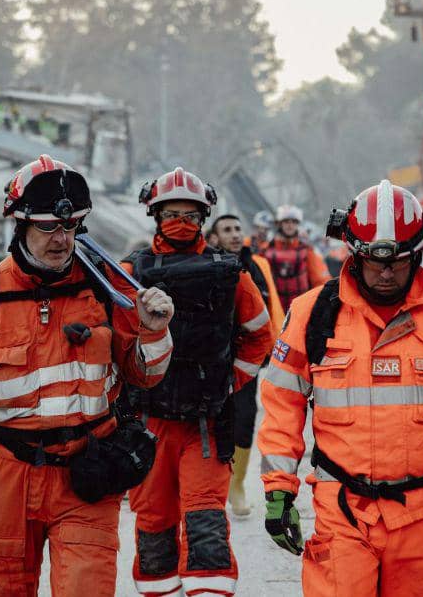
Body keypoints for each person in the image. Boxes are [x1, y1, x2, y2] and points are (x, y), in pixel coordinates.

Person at [257, 180, 423, 596]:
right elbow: (281, 404)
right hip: (342, 512)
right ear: (353, 252)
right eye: (374, 262)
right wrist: (278, 487)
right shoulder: (314, 314)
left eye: (399, 262)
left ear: (419, 254)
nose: (386, 272)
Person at [0, 154, 175, 597]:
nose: (61, 239)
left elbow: (144, 377)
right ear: (20, 225)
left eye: (69, 227)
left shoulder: (108, 287)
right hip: (2, 477)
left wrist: (155, 334)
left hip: (88, 473)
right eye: (47, 227)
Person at [123, 168, 275, 597]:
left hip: (206, 424)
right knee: (153, 522)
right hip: (149, 421)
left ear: (204, 217)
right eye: (171, 213)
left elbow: (260, 334)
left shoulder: (229, 272)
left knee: (205, 518)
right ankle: (159, 590)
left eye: (190, 215)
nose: (181, 222)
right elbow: (113, 336)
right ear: (154, 214)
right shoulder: (132, 270)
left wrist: (230, 383)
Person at [209, 213, 284, 516]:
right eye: (227, 229)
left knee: (245, 418)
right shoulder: (204, 264)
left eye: (239, 228)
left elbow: (272, 306)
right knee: (212, 421)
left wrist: (278, 348)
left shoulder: (258, 265)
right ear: (213, 238)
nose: (235, 233)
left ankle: (236, 484)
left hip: (246, 358)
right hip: (211, 358)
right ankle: (213, 482)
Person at [261, 204, 330, 312]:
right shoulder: (266, 249)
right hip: (275, 308)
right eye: (286, 221)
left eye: (294, 222)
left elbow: (320, 280)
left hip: (300, 307)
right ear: (279, 224)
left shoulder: (306, 250)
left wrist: (323, 303)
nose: (290, 225)